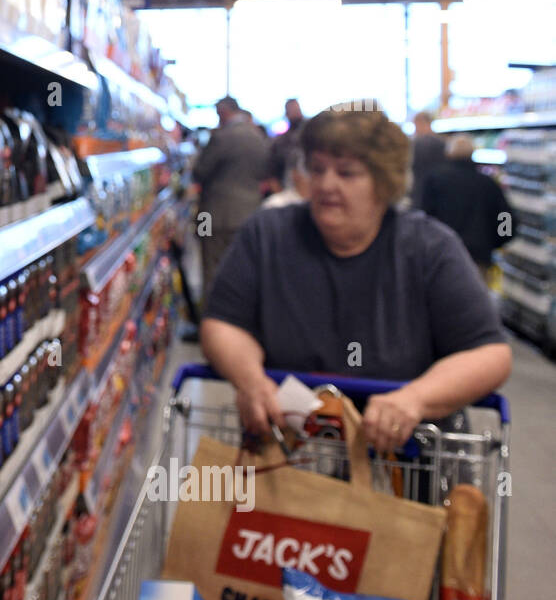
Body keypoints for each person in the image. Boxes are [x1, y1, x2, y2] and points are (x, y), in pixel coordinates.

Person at [200, 101, 511, 451]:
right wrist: (251, 380)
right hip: (286, 452)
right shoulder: (268, 234)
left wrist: (415, 398)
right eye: (317, 169)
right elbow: (224, 322)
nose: (326, 184)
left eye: (346, 173)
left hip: (403, 462)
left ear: (383, 182)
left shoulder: (429, 248)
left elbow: (489, 354)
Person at [191, 96, 271, 303]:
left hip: (211, 217)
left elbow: (200, 172)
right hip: (248, 213)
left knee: (210, 266)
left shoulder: (221, 137)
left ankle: (210, 321)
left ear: (224, 112)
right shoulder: (258, 136)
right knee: (242, 269)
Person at [422, 137, 512, 279]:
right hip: (478, 258)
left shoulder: (435, 180)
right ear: (473, 155)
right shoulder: (487, 183)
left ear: (448, 154)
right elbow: (505, 216)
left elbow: (426, 218)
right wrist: (497, 241)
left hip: (442, 257)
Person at [264, 98, 306, 194]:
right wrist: (280, 193)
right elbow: (272, 171)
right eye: (292, 110)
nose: (296, 113)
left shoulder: (311, 135)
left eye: (297, 110)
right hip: (287, 190)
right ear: (286, 114)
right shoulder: (280, 142)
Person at [409, 110, 446, 210]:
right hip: (440, 193)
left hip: (419, 192)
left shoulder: (414, 144)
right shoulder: (442, 143)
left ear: (421, 123)